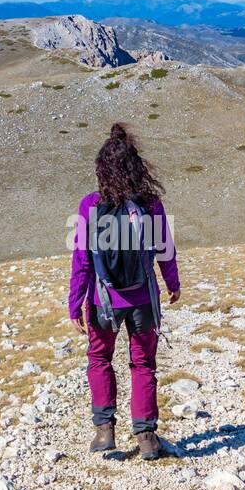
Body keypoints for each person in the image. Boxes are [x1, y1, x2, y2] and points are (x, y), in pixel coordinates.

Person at [68, 123, 180, 460]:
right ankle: (146, 437)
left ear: (102, 170)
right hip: (143, 300)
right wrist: (173, 284)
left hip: (103, 302)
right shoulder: (151, 204)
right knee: (143, 364)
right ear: (136, 167)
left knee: (100, 358)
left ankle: (104, 433)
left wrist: (76, 304)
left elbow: (82, 260)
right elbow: (166, 251)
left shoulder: (89, 205)